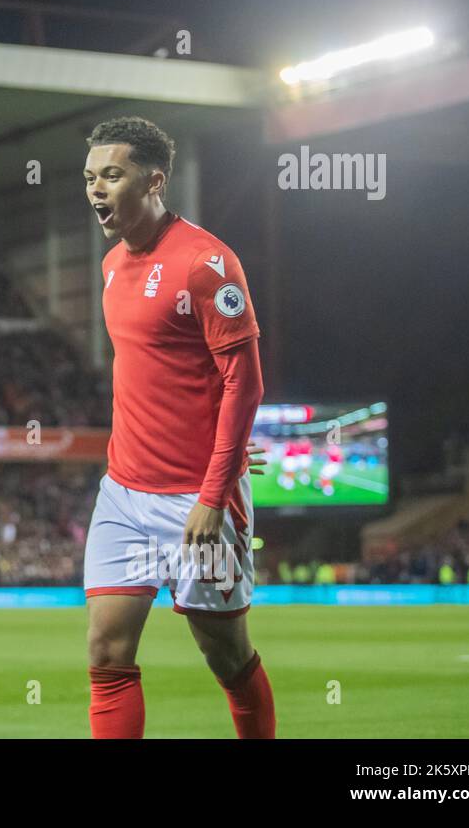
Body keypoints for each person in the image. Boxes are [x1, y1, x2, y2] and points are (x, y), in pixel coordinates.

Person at [81, 116, 275, 738]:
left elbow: (245, 383)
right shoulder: (110, 263)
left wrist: (217, 490)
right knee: (107, 652)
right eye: (90, 178)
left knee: (224, 651)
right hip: (123, 493)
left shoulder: (207, 263)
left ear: (154, 178)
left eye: (112, 175)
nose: (97, 189)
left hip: (198, 500)